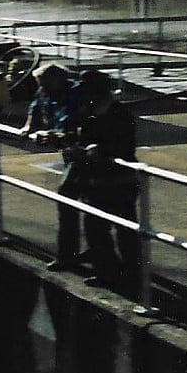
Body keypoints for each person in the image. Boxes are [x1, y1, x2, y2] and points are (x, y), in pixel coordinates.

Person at [69, 69, 139, 292]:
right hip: (96, 179)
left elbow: (126, 147)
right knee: (95, 228)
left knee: (125, 230)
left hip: (119, 180)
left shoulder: (120, 114)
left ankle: (131, 275)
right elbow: (82, 139)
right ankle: (108, 272)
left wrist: (101, 149)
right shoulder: (89, 112)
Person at [18, 63, 85, 271]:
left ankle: (68, 255)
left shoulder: (76, 93)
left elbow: (74, 122)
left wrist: (52, 135)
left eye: (45, 84)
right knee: (84, 200)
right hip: (68, 150)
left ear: (58, 80)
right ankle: (87, 251)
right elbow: (36, 108)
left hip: (82, 151)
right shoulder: (45, 91)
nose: (42, 88)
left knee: (67, 196)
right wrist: (28, 128)